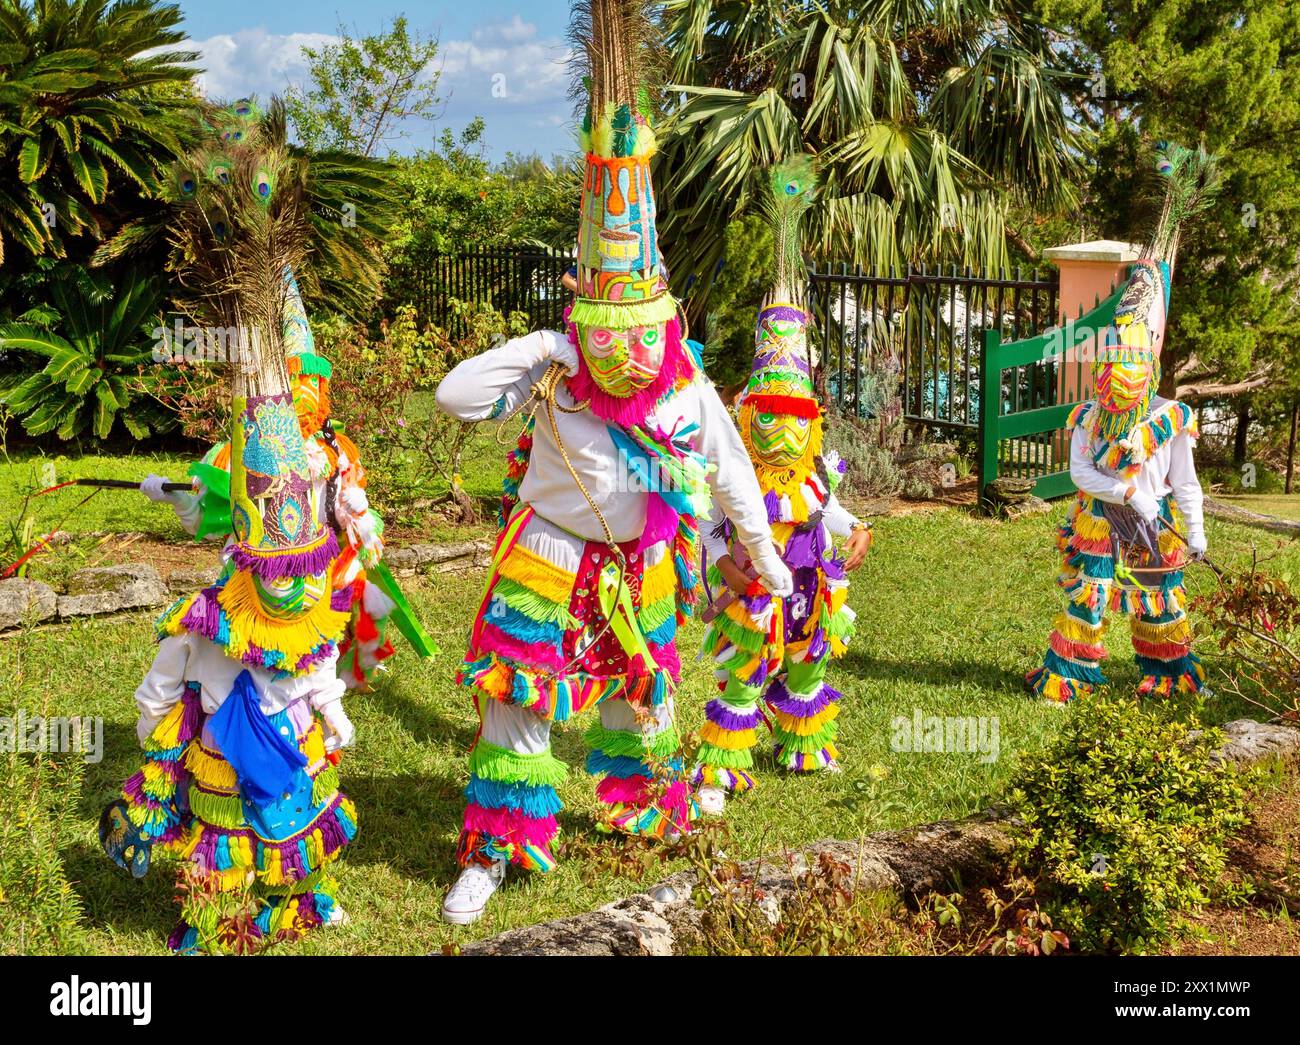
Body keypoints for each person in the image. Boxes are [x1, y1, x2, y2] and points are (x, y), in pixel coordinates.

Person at [433, 0, 791, 926]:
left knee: (645, 694)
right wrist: (546, 346)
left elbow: (731, 476)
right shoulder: (557, 370)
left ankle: (642, 815)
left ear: (663, 324)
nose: (626, 358)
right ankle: (497, 847)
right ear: (585, 324)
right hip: (547, 558)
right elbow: (455, 399)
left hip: (646, 568)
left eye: (641, 338)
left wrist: (769, 557)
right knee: (520, 705)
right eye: (605, 338)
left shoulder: (684, 391)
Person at [99, 99, 358, 952]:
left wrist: (334, 710)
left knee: (290, 825)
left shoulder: (312, 582)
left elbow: (319, 664)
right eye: (274, 572)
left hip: (289, 744)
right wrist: (155, 725)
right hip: (219, 755)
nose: (288, 585)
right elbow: (167, 676)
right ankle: (217, 914)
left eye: (299, 569)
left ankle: (293, 901)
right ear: (245, 560)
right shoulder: (213, 616)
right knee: (226, 843)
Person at [140, 268, 433, 689]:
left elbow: (352, 516)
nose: (304, 393)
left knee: (318, 656)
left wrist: (357, 511)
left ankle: (318, 700)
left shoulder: (334, 449)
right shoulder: (236, 453)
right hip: (256, 578)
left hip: (319, 571)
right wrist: (177, 499)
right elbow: (206, 520)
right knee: (244, 659)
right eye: (294, 380)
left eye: (311, 381)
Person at [694, 158, 871, 812]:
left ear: (813, 420)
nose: (780, 428)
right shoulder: (732, 471)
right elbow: (711, 525)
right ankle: (719, 770)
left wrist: (858, 532)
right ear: (747, 412)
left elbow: (829, 510)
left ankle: (801, 742)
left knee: (807, 663)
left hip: (809, 587)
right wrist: (726, 569)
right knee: (742, 674)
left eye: (794, 416)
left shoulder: (817, 473)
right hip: (753, 588)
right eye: (767, 413)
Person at [1026, 145, 1218, 703]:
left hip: (1153, 524)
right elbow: (1079, 472)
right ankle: (1066, 676)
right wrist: (1122, 490)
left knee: (1160, 601)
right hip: (1098, 521)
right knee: (1089, 598)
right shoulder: (1088, 414)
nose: (1118, 375)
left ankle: (1168, 675)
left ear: (1151, 363)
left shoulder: (1171, 419)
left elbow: (1184, 481)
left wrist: (1195, 528)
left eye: (1131, 364)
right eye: (1111, 362)